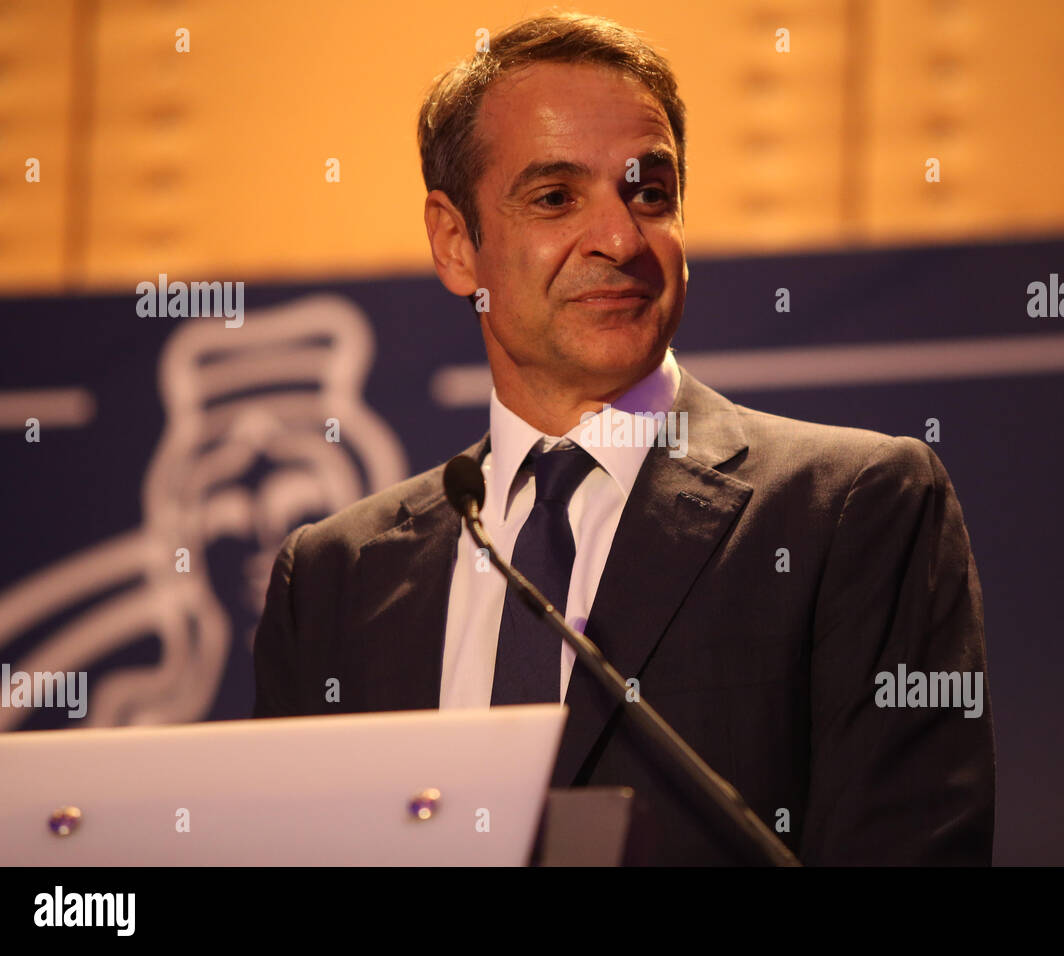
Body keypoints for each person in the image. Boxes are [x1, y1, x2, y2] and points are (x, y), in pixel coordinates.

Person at [252, 12, 995, 865]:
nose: (619, 237)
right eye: (556, 197)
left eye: (650, 192)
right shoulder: (335, 579)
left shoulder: (851, 509)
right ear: (457, 244)